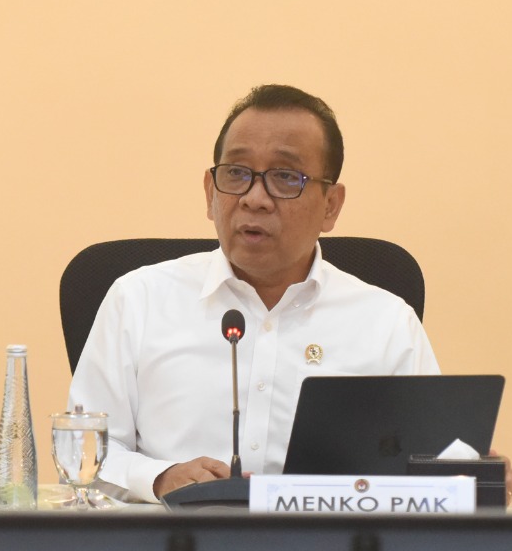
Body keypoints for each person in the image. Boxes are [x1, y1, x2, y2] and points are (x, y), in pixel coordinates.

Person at [69, 83, 466, 502]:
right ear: (210, 192)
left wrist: (474, 477)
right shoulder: (139, 300)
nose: (254, 199)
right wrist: (159, 477)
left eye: (284, 177)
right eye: (237, 174)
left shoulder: (385, 323)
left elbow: (428, 471)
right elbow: (84, 456)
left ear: (331, 204)